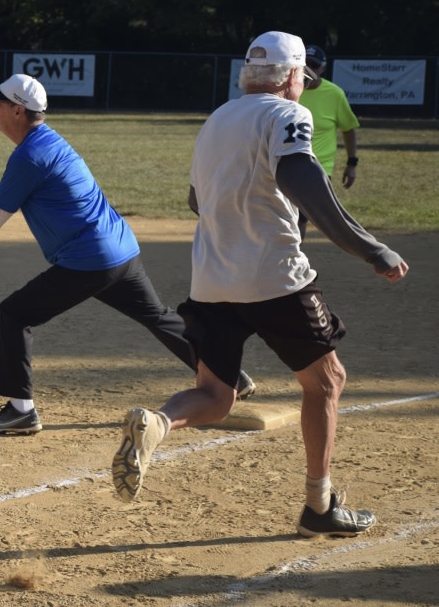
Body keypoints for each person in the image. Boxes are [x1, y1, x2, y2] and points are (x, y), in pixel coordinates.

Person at [111, 32, 409, 538]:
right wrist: (369, 247)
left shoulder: (217, 119)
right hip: (274, 277)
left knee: (214, 395)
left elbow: (195, 200)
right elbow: (307, 188)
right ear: (293, 77)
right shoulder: (287, 115)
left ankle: (157, 423)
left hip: (211, 278)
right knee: (326, 382)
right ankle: (318, 507)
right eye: (302, 78)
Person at [0, 73, 253, 436]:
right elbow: (2, 197)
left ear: (17, 110)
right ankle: (228, 373)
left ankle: (21, 410)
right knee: (158, 317)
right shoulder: (43, 143)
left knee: (15, 313)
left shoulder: (31, 155)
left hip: (89, 260)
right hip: (119, 251)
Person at [296, 44, 360, 237]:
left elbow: (348, 129)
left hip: (319, 167)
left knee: (300, 216)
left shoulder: (334, 94)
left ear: (322, 69)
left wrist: (352, 163)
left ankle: (292, 258)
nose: (308, 69)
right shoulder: (288, 91)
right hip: (285, 161)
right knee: (282, 215)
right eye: (304, 64)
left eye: (313, 65)